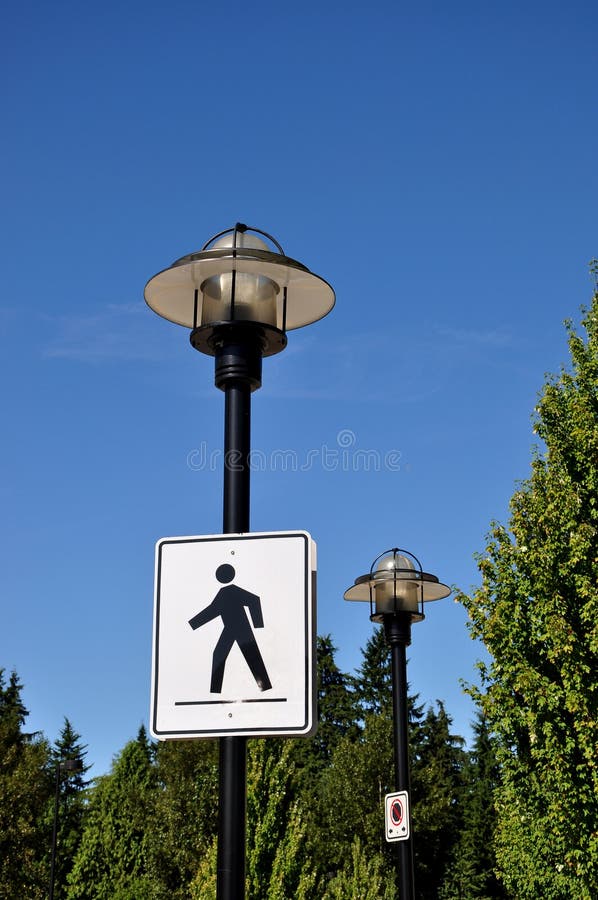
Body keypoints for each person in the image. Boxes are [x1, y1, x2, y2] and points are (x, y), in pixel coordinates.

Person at [188, 563, 272, 693]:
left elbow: (254, 600)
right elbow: (213, 610)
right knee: (219, 654)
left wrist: (258, 624)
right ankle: (215, 692)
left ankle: (265, 687)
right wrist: (193, 623)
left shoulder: (232, 590)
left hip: (242, 627)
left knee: (251, 654)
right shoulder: (223, 593)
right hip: (230, 628)